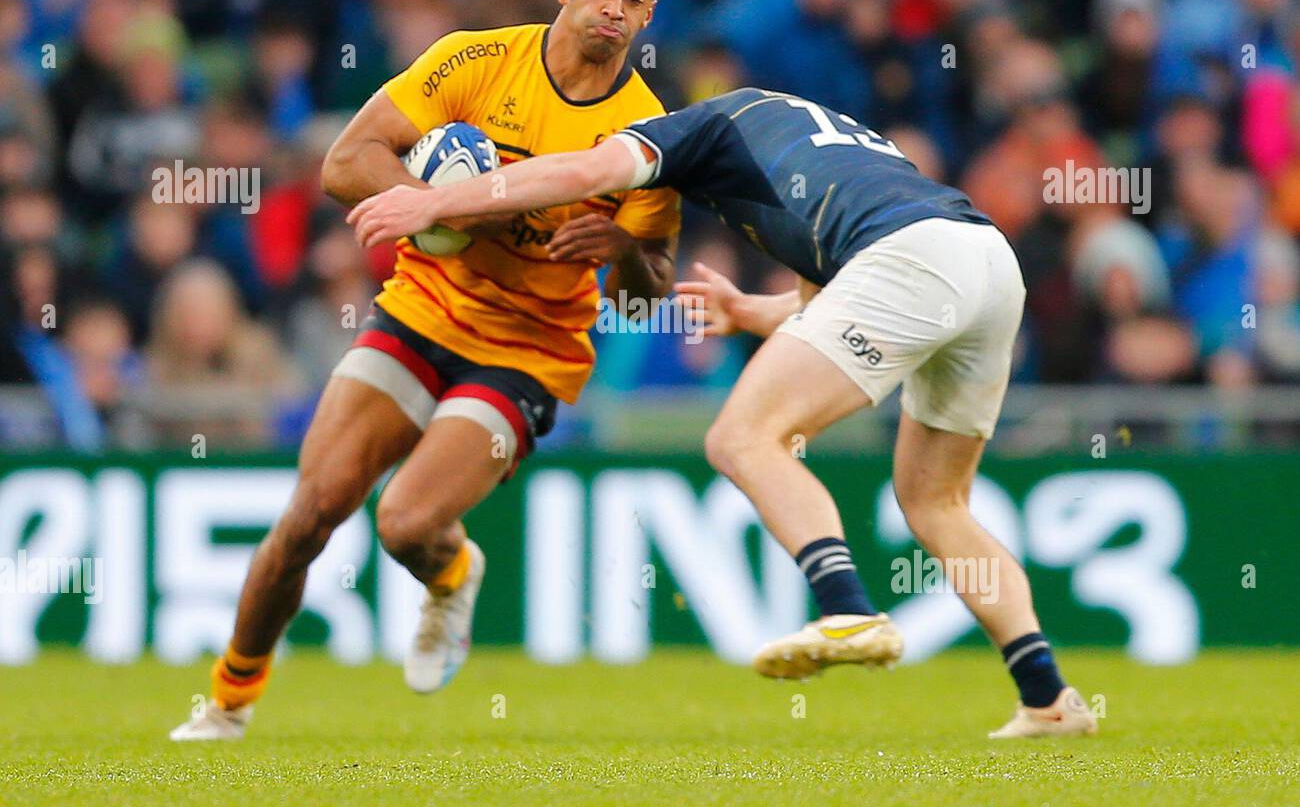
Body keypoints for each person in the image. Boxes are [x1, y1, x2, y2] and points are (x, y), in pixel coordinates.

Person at [350, 87, 1098, 739]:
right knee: (936, 501)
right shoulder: (812, 134)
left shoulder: (697, 128)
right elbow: (846, 281)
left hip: (914, 265)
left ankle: (849, 607)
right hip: (985, 265)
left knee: (744, 437)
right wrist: (751, 309)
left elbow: (583, 170)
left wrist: (439, 200)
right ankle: (1049, 697)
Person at [170, 0, 680, 741]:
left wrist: (623, 246)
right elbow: (345, 161)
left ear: (648, 16)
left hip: (527, 350)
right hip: (420, 310)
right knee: (310, 513)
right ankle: (229, 702)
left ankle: (451, 572)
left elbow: (650, 287)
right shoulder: (474, 61)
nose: (614, 7)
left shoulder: (646, 134)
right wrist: (443, 206)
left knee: (404, 521)